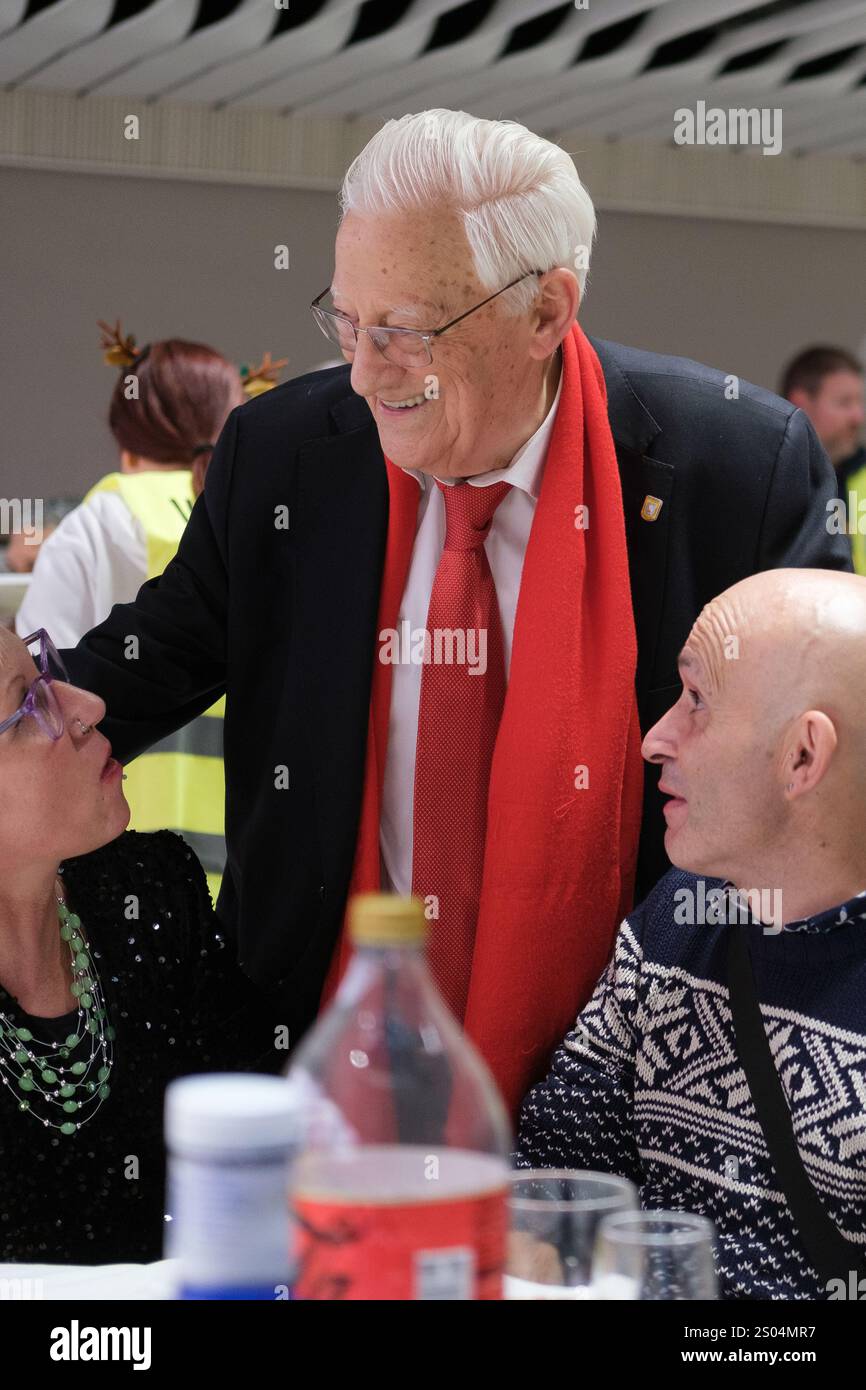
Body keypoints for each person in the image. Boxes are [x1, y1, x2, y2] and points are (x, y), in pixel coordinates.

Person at [62, 109, 851, 1116]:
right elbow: (149, 655)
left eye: (400, 331)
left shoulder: (733, 468)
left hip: (646, 1083)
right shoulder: (286, 452)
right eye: (344, 324)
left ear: (543, 312)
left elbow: (824, 767)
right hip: (316, 1055)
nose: (360, 372)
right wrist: (26, 720)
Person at [516, 568, 866, 1300]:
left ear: (803, 757)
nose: (654, 739)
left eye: (697, 702)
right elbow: (552, 1190)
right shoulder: (676, 922)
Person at [0, 624, 283, 1264]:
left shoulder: (149, 892)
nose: (89, 706)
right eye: (29, 708)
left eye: (48, 672)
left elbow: (270, 1140)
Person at [15, 327, 284, 904]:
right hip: (253, 843)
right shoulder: (253, 516)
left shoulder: (99, 520)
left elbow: (42, 700)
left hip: (125, 853)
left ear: (127, 438)